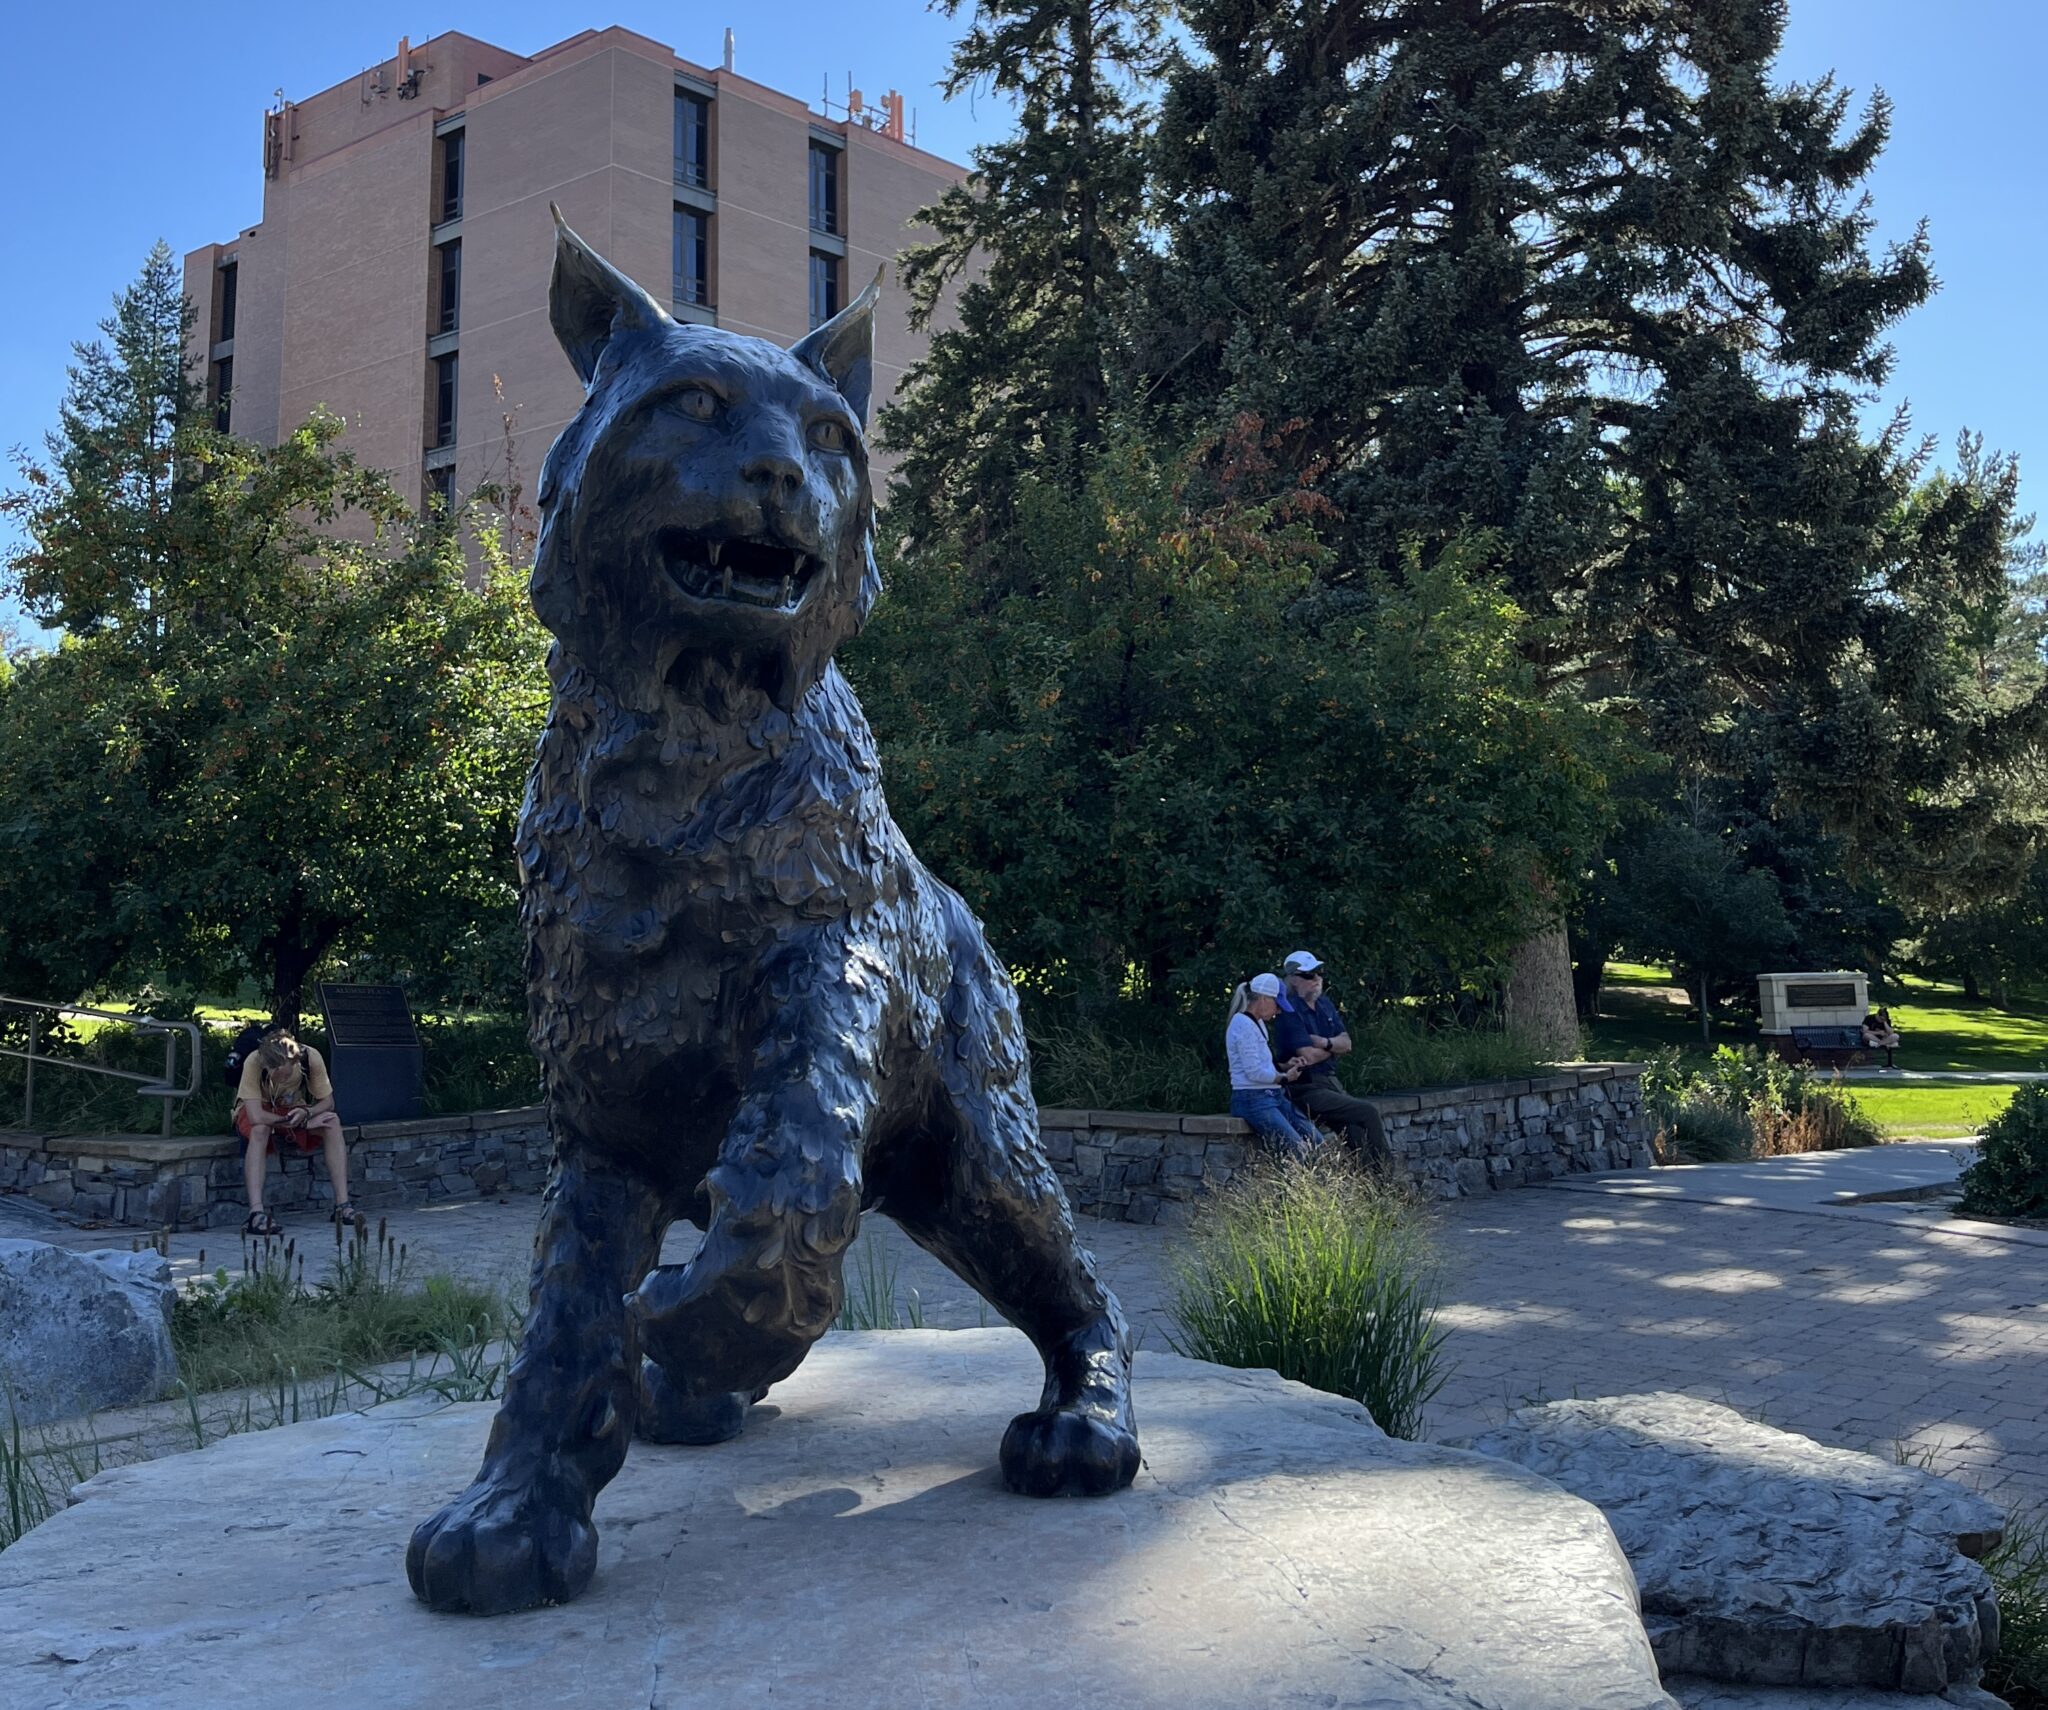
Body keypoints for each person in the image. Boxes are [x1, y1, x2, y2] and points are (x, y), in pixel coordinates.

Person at [1269, 950, 1394, 1172]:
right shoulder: (1289, 1009)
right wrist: (1334, 1048)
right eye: (1309, 975)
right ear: (1294, 979)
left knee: (1354, 1128)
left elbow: (1348, 1043)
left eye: (1319, 973)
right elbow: (1308, 1056)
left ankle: (1374, 1181)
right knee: (1368, 1112)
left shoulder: (1324, 1004)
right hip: (1306, 1086)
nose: (1317, 979)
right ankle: (1389, 1175)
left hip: (1330, 1081)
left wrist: (1324, 1043)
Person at [235, 1027, 362, 1236]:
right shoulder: (254, 1061)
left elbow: (328, 1102)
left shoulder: (310, 1057)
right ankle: (256, 1213)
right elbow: (256, 1116)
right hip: (260, 1110)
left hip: (294, 1109)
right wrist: (298, 1124)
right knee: (260, 1130)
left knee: (332, 1121)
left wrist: (307, 1113)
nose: (281, 1079)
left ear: (294, 1061)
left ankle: (342, 1205)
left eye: (285, 1075)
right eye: (275, 1074)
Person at [1225, 974, 1327, 1160]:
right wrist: (1285, 1077)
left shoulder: (1258, 1023)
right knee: (1297, 1149)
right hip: (1252, 1099)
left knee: (1317, 1142)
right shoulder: (1243, 1025)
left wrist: (1286, 1066)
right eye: (1277, 1005)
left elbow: (1261, 1064)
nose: (1278, 1011)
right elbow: (1254, 1072)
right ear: (1264, 999)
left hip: (1273, 1096)